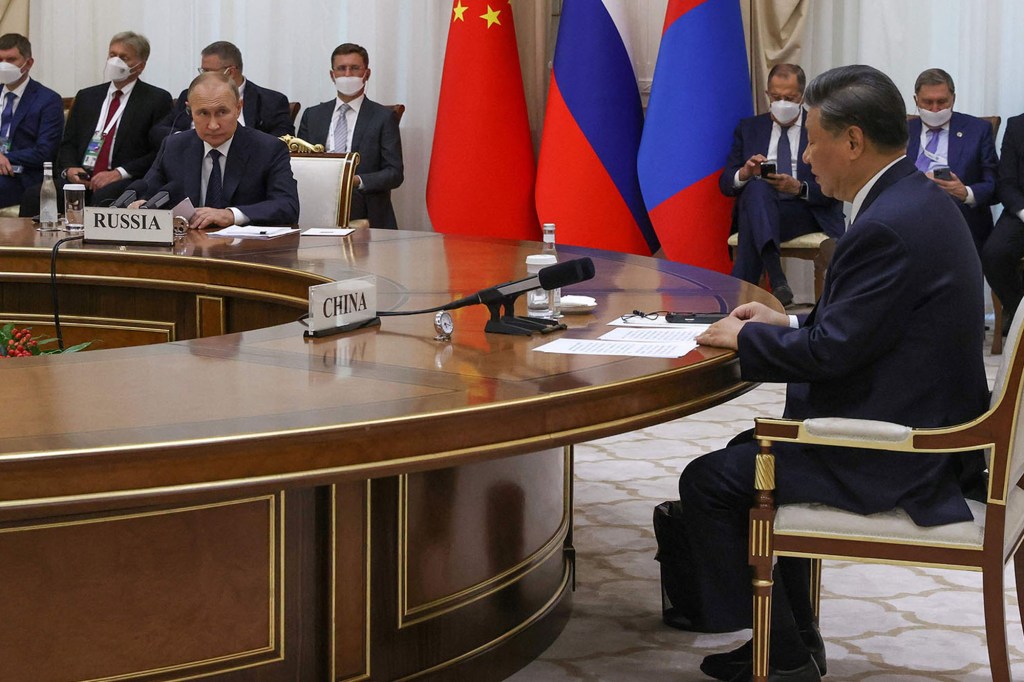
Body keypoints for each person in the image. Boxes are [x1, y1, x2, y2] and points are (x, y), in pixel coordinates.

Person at [678, 65, 987, 682]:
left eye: (814, 139)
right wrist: (783, 321)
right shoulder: (913, 198)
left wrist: (750, 338)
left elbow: (831, 354)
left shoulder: (889, 224)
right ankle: (791, 642)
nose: (807, 156)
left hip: (899, 450)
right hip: (921, 414)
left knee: (712, 481)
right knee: (751, 452)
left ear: (851, 141)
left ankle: (778, 646)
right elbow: (863, 323)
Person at [719, 63, 845, 307]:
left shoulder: (824, 126)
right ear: (767, 94)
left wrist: (797, 187)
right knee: (756, 188)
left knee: (752, 221)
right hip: (762, 206)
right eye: (776, 97)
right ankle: (777, 278)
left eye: (790, 97)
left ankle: (740, 297)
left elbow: (836, 185)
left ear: (803, 96)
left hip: (804, 211)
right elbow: (725, 184)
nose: (782, 103)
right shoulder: (749, 128)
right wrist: (744, 173)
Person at [139, 72, 298, 229]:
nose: (213, 125)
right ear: (190, 111)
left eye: (222, 112)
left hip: (244, 249)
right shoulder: (174, 146)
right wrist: (139, 205)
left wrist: (231, 215)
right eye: (203, 113)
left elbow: (287, 206)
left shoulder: (268, 148)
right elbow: (147, 192)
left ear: (238, 108)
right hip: (187, 246)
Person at [41, 31, 172, 211]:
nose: (115, 62)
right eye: (112, 55)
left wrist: (119, 173)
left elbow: (158, 151)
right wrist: (70, 168)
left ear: (140, 66)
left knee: (104, 197)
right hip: (83, 176)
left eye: (124, 57)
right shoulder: (87, 96)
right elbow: (68, 142)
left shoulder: (157, 99)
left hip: (123, 179)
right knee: (37, 194)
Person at [297, 43, 403, 228]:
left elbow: (394, 173)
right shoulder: (313, 115)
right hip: (317, 200)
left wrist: (354, 181)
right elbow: (298, 163)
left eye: (354, 68)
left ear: (366, 74)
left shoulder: (383, 117)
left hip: (361, 201)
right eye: (341, 69)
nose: (347, 75)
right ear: (332, 75)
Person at [906, 68, 997, 252]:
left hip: (958, 218)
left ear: (953, 99)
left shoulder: (978, 130)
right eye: (927, 102)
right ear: (916, 100)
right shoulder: (901, 131)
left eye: (941, 102)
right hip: (908, 217)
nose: (935, 109)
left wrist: (966, 193)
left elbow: (994, 184)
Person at [150, 40, 293, 142]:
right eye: (202, 70)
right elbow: (159, 131)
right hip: (190, 163)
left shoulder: (271, 100)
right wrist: (188, 139)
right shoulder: (189, 94)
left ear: (230, 72)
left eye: (208, 71)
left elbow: (282, 138)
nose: (203, 76)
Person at [0, 33, 63, 210]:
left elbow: (45, 152)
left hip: (22, 176)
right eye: (0, 59)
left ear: (28, 63)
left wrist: (5, 158)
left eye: (11, 59)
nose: (4, 65)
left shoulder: (48, 100)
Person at [982, 114, 1024, 333]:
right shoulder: (1017, 125)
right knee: (994, 254)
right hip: (1021, 212)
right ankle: (1018, 311)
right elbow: (1006, 183)